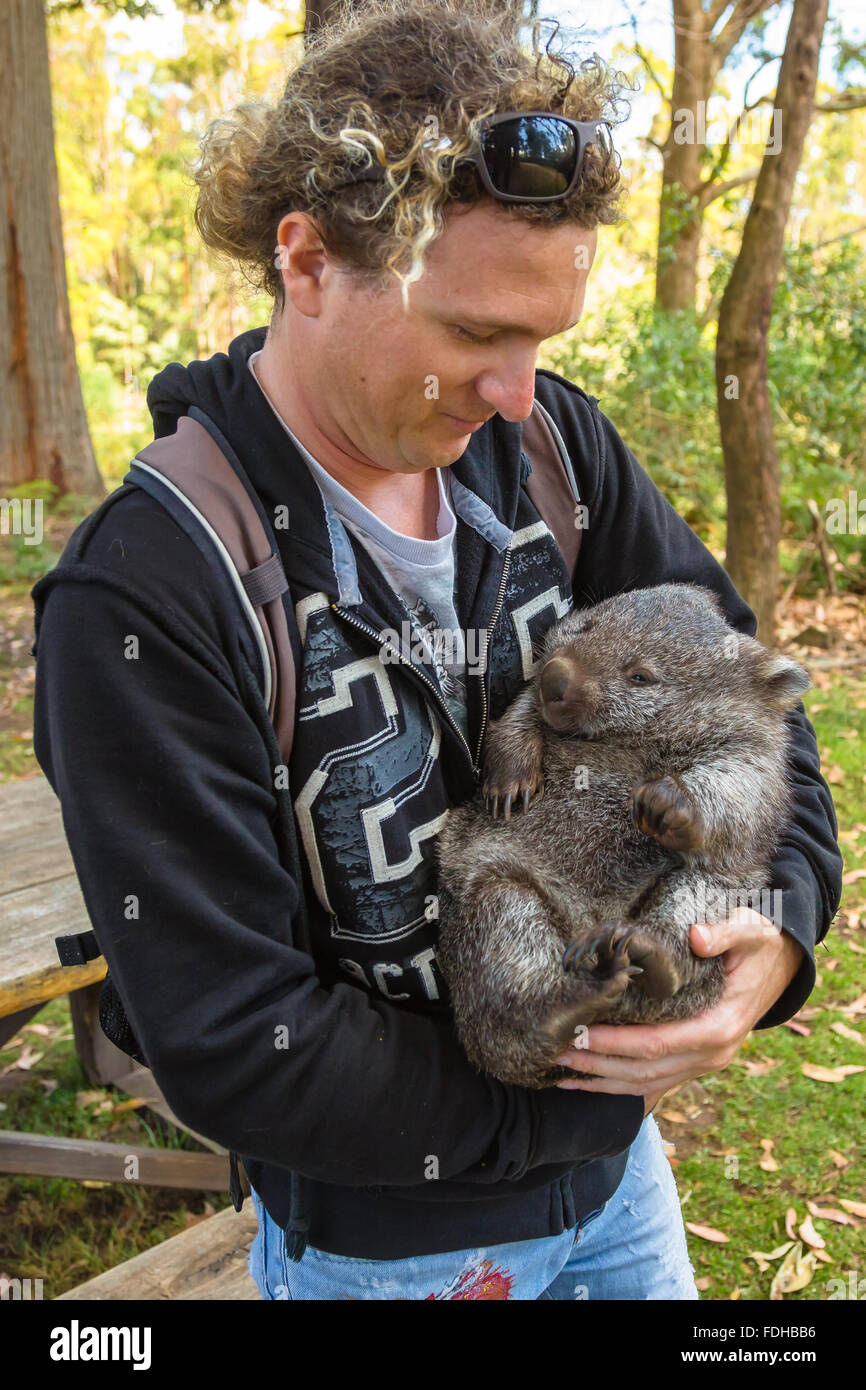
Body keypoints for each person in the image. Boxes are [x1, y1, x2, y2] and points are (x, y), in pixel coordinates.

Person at [31, 0, 842, 1301]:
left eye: (543, 340)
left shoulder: (557, 455)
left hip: (621, 1191)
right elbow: (232, 1035)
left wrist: (780, 930)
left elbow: (746, 702)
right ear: (305, 264)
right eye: (473, 334)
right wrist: (564, 1099)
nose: (518, 388)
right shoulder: (150, 587)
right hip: (390, 1248)